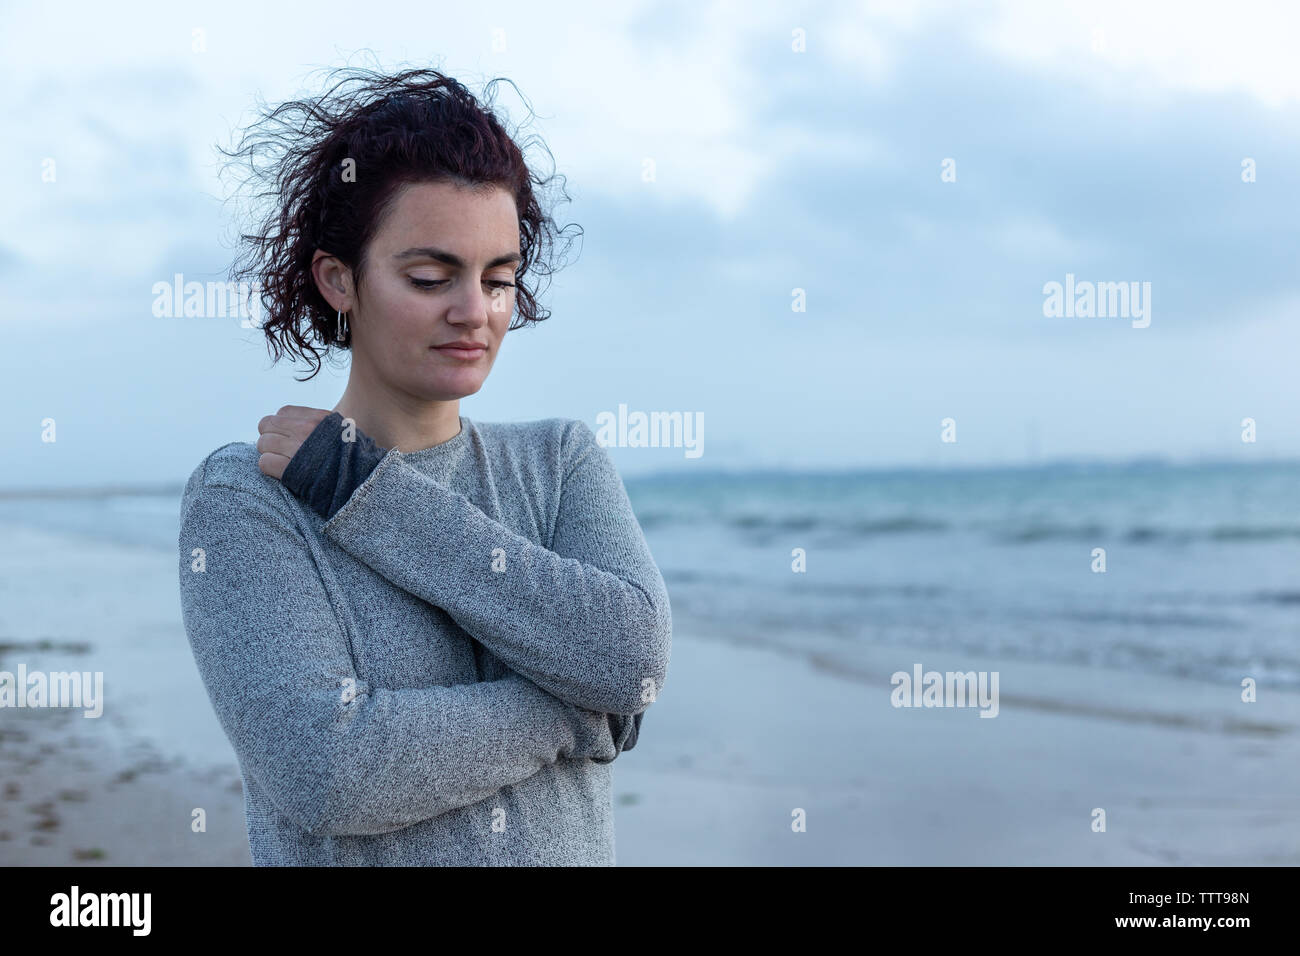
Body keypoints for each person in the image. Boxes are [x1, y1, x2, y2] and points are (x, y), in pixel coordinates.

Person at [177, 66, 671, 866]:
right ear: (339, 279)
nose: (473, 311)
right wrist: (580, 714)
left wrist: (365, 490)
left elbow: (633, 661)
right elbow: (331, 773)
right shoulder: (248, 499)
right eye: (430, 278)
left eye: (499, 279)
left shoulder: (559, 461)